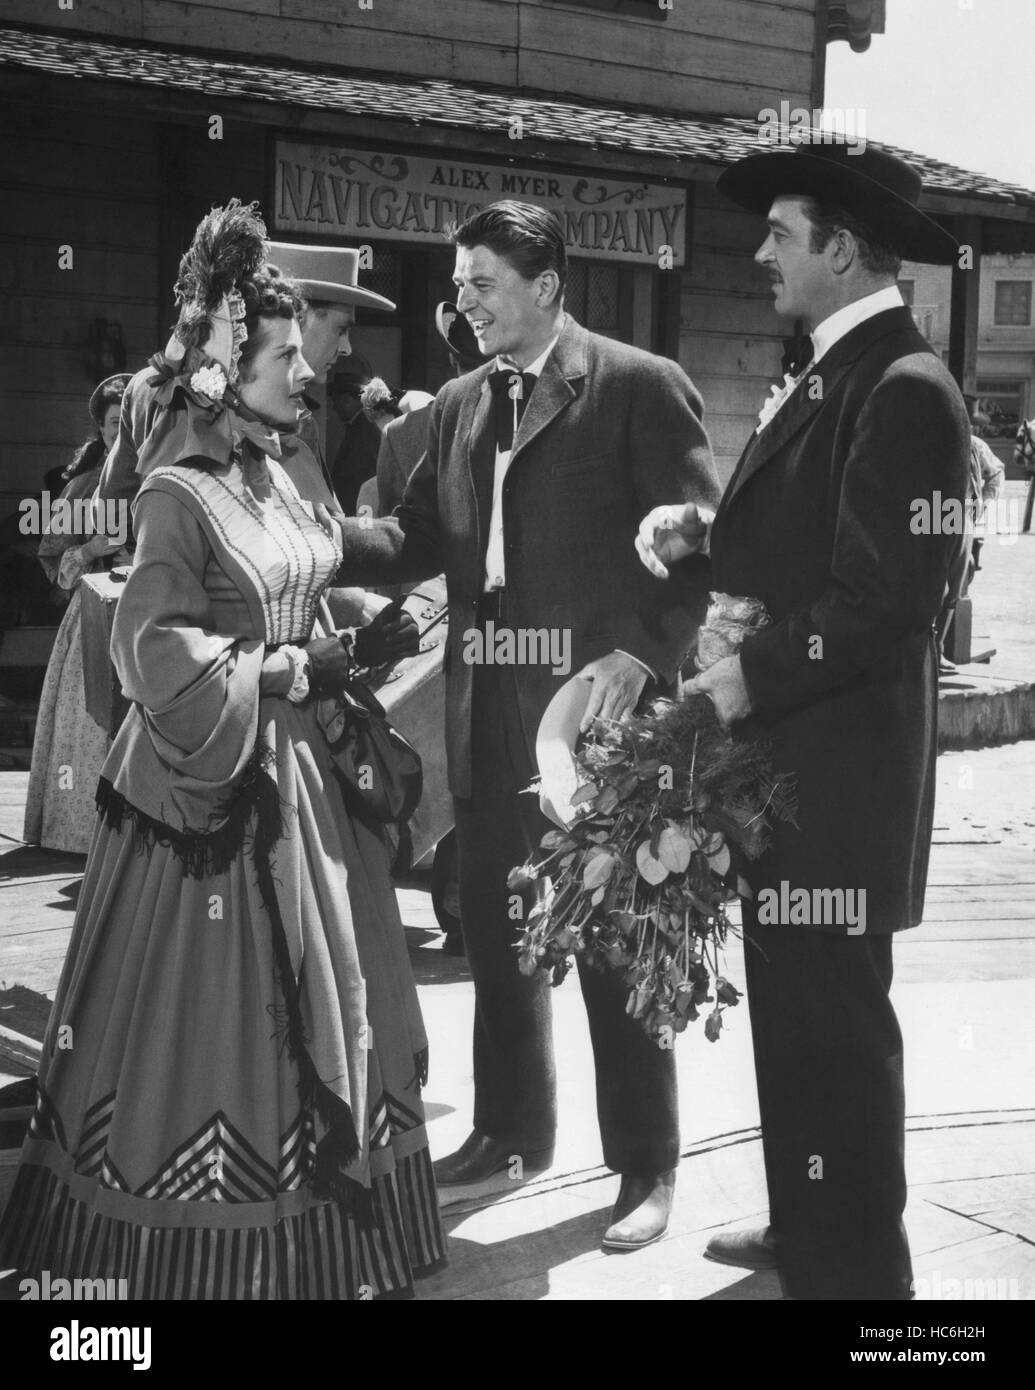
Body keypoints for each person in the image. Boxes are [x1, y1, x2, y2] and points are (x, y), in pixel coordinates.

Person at [0, 204, 443, 1299]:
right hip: (205, 805)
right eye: (286, 358)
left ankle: (321, 1247)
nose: (307, 374)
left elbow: (303, 586)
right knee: (209, 1027)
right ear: (225, 366)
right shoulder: (174, 489)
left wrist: (346, 646)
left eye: (303, 354)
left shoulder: (286, 471)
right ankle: (186, 1260)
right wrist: (278, 673)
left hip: (306, 782)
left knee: (344, 988)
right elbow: (152, 649)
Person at [323, 200, 721, 1251]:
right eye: (459, 284)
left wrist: (638, 664)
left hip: (599, 720)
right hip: (485, 710)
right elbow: (409, 534)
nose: (462, 301)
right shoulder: (458, 402)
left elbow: (698, 558)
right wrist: (303, 532)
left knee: (613, 941)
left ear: (547, 285)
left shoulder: (638, 386)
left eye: (482, 282)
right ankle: (508, 1134)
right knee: (499, 934)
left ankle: (646, 1167)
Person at [636, 140, 970, 1299]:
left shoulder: (907, 386)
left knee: (836, 1031)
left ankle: (863, 1278)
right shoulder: (843, 365)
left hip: (838, 787)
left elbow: (888, 601)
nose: (761, 251)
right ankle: (802, 1225)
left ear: (839, 246)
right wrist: (706, 532)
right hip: (794, 781)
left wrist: (744, 680)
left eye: (781, 233)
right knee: (793, 1015)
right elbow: (810, 545)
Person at [23, 374, 131, 854]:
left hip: (161, 615)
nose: (124, 433)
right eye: (115, 424)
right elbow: (53, 563)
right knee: (90, 719)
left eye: (133, 422)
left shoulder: (171, 477)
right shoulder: (84, 488)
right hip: (95, 618)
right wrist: (90, 547)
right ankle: (84, 833)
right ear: (102, 429)